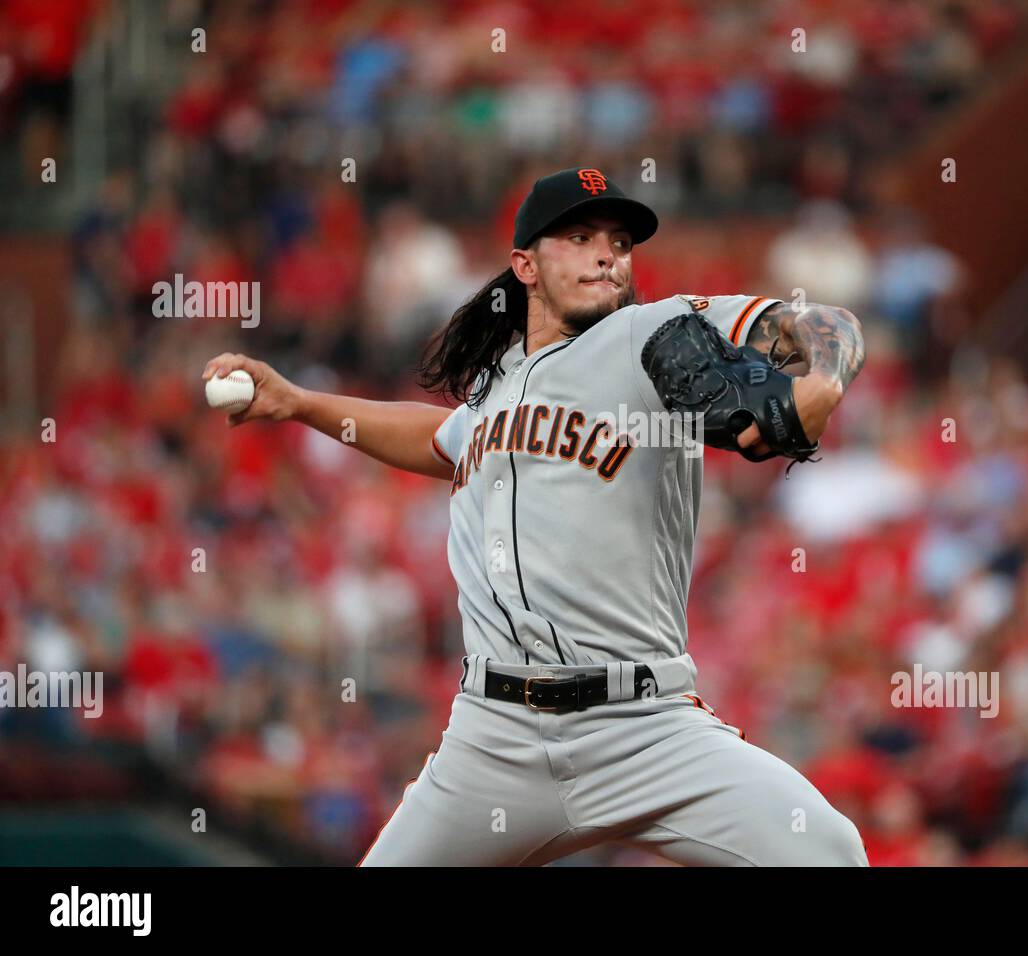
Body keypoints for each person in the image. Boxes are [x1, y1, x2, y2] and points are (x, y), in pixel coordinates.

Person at [202, 167, 868, 866]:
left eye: (618, 241)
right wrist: (301, 403)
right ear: (525, 264)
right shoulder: (498, 392)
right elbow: (437, 438)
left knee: (828, 851)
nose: (606, 253)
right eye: (579, 238)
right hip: (494, 737)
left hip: (643, 725)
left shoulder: (654, 333)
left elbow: (824, 323)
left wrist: (822, 380)